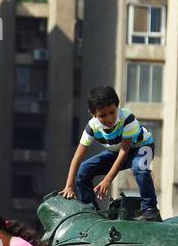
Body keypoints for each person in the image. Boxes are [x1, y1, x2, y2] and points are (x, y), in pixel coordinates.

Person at [60, 85, 161, 222]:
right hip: (116, 152)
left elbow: (124, 153)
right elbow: (76, 158)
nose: (109, 119)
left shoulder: (127, 119)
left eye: (112, 112)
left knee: (140, 168)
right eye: (102, 115)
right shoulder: (92, 127)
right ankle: (90, 210)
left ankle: (150, 209)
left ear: (117, 107)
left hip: (141, 147)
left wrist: (107, 180)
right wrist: (69, 186)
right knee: (84, 169)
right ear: (93, 114)